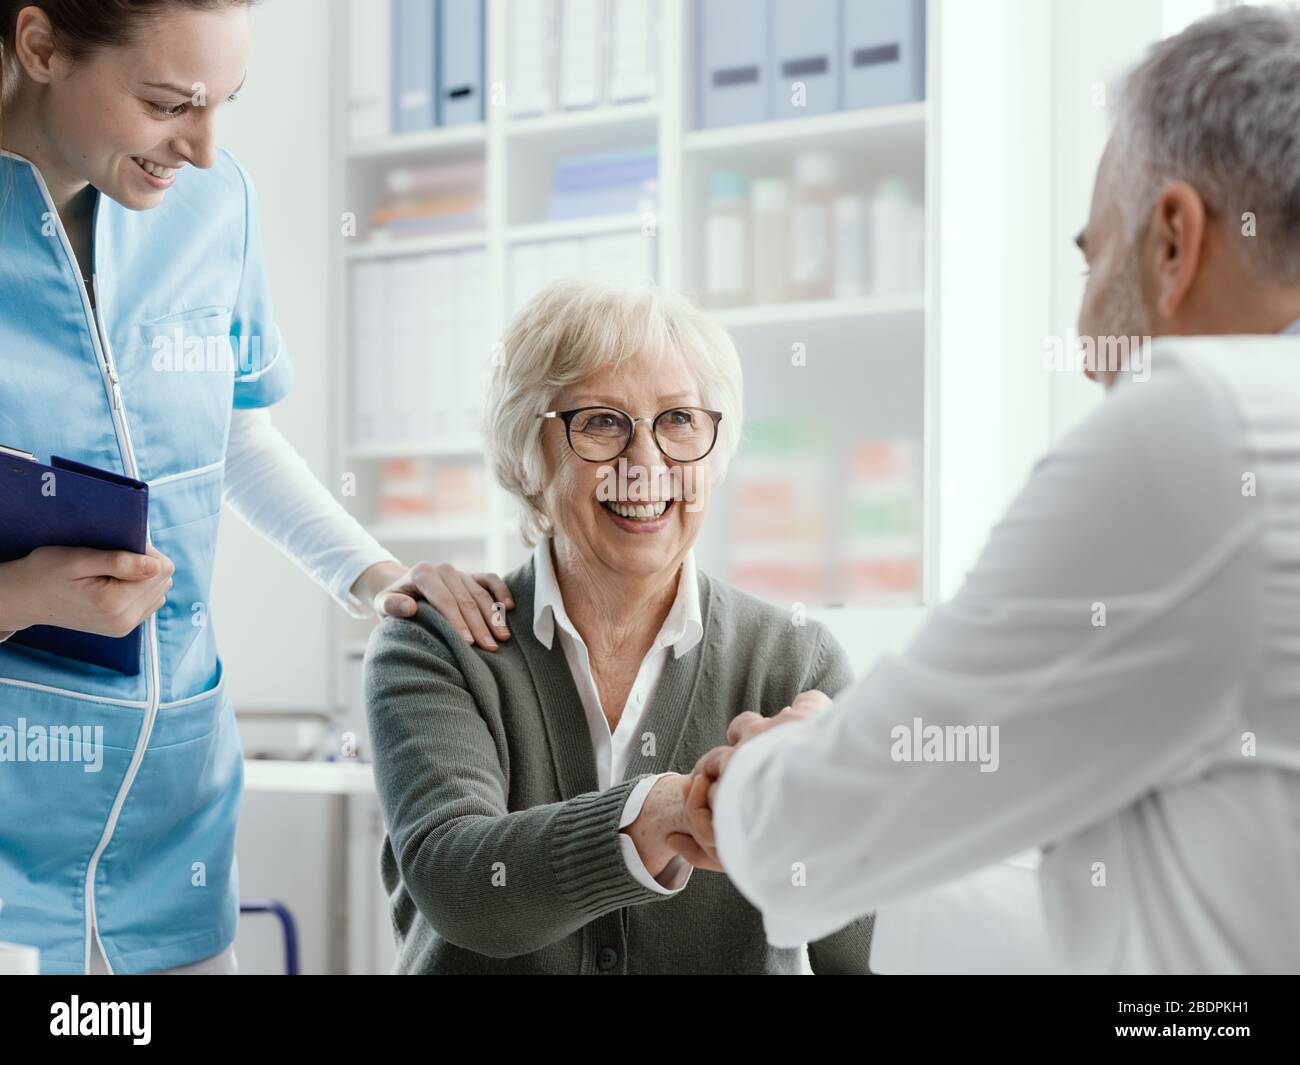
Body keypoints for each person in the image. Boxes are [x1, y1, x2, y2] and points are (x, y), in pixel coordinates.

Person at [676, 5, 1300, 975]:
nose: (1086, 336)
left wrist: (776, 766)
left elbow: (818, 831)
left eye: (1093, 257)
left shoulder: (1203, 428)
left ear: (1173, 241)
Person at [0, 0, 509, 975]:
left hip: (170, 804)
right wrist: (22, 599)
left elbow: (231, 438)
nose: (198, 148)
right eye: (167, 104)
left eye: (226, 103)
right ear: (41, 45)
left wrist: (372, 575)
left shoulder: (213, 202)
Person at [364, 279, 875, 973]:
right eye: (602, 421)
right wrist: (661, 812)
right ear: (528, 450)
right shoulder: (437, 644)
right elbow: (462, 884)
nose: (645, 464)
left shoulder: (797, 661)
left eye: (680, 420)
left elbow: (856, 951)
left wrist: (841, 819)